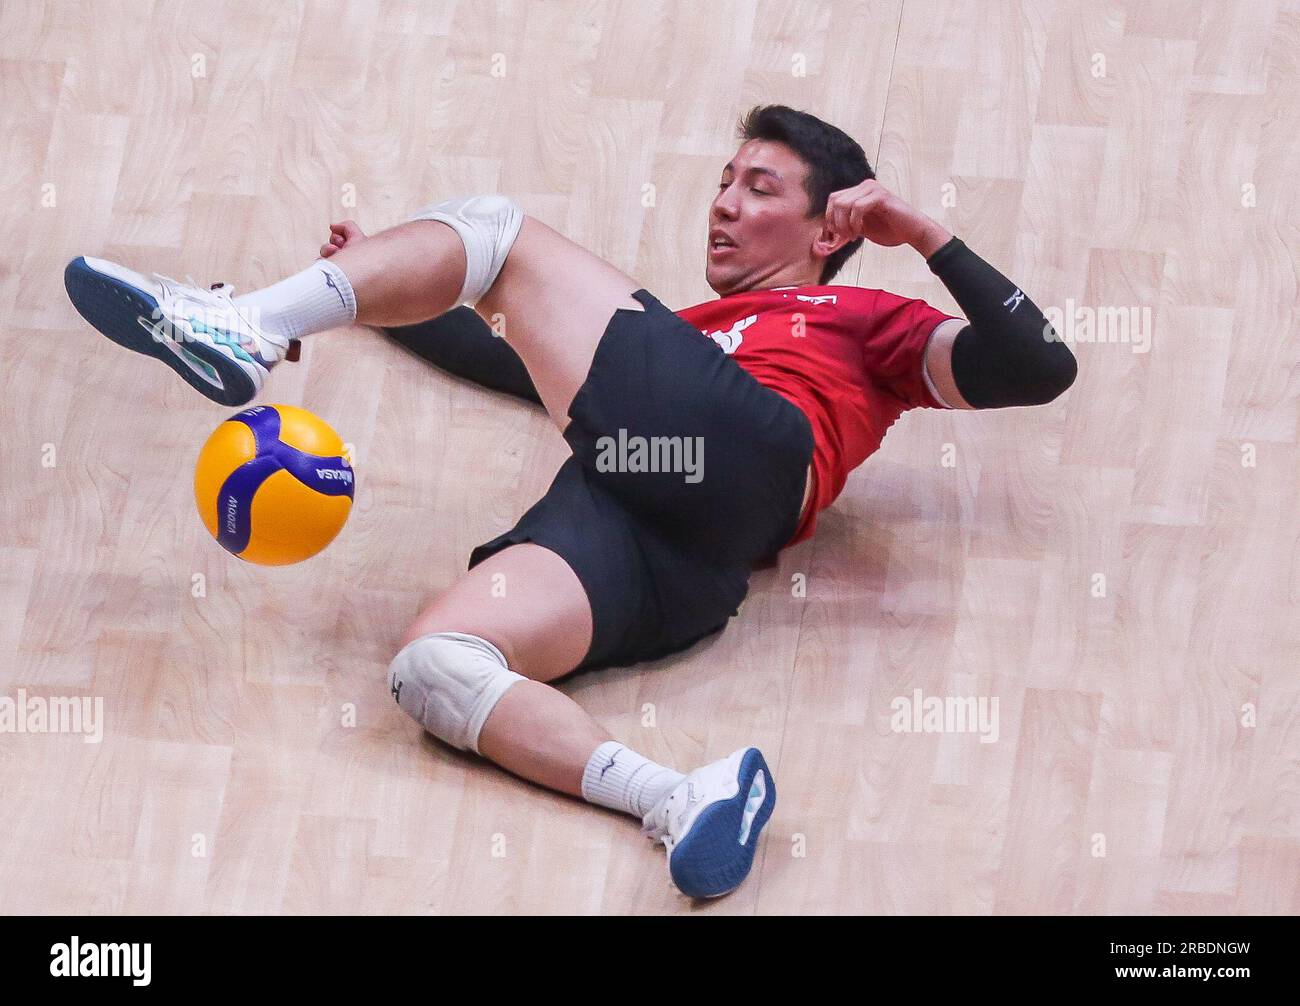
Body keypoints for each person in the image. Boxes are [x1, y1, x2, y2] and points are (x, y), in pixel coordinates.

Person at [63, 104, 1076, 899]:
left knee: (498, 231)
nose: (721, 203)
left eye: (758, 187)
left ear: (828, 226)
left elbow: (1037, 366)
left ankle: (240, 325)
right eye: (721, 181)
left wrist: (924, 232)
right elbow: (504, 352)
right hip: (668, 538)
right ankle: (682, 799)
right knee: (436, 668)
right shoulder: (682, 335)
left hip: (745, 457)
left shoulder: (862, 316)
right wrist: (366, 283)